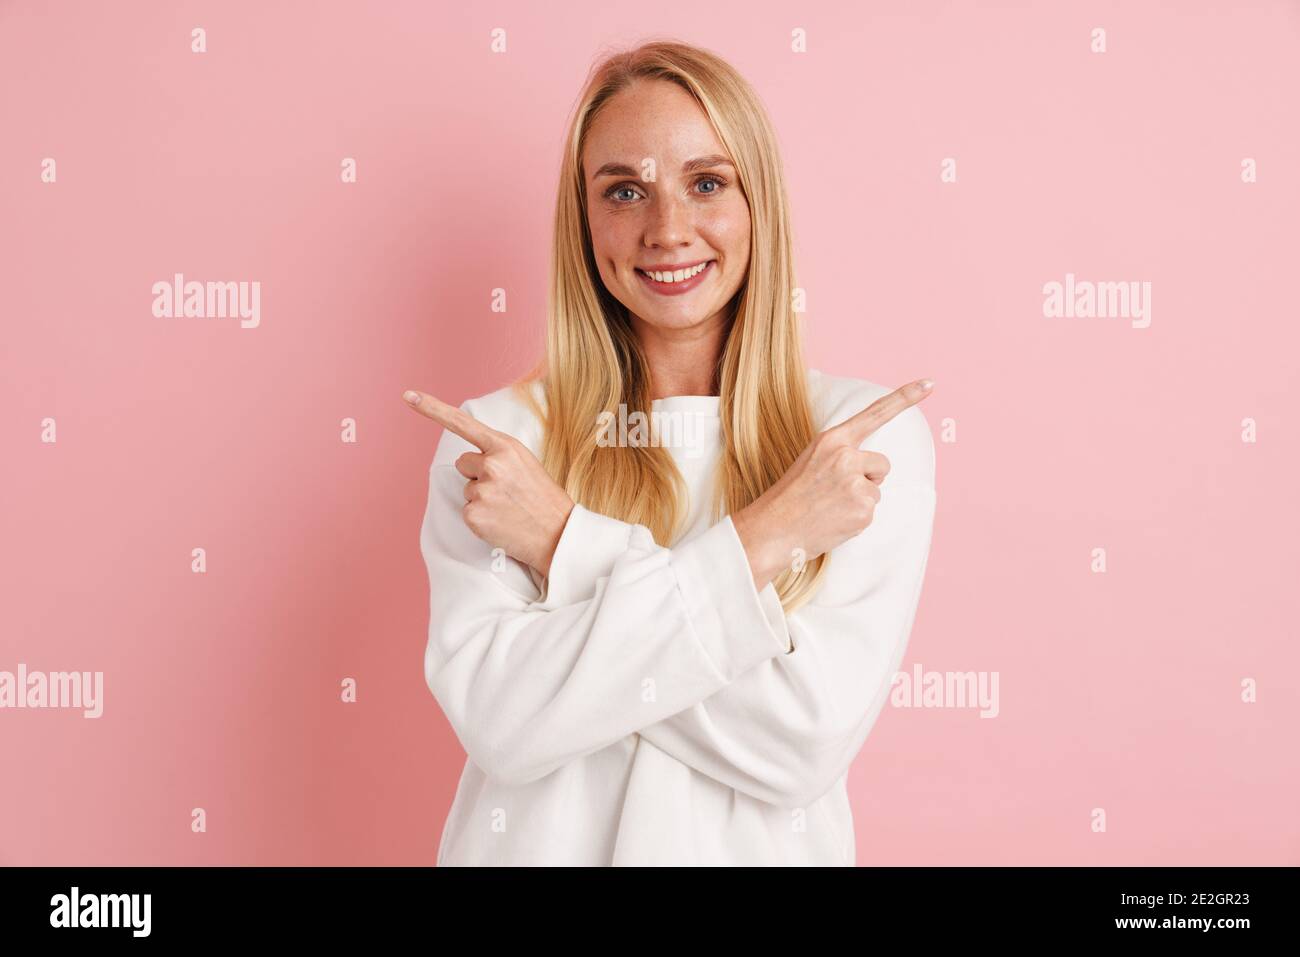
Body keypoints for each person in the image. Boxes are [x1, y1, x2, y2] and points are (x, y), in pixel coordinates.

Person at [402, 39, 937, 866]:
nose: (667, 230)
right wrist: (761, 540)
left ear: (759, 202)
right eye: (625, 191)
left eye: (707, 183)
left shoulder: (854, 440)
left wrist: (565, 546)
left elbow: (799, 745)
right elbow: (506, 725)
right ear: (585, 219)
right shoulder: (499, 444)